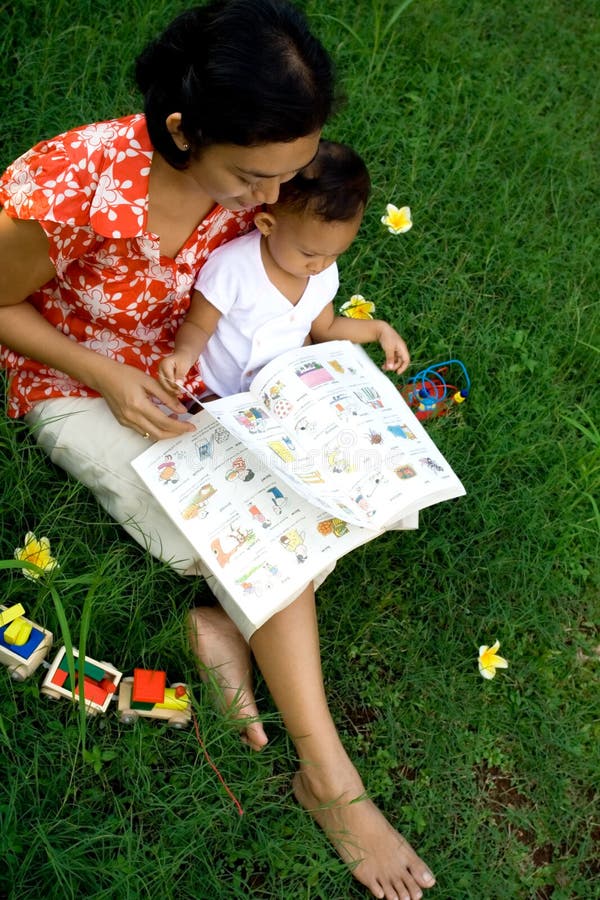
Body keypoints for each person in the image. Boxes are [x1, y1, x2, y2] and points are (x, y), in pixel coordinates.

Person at [0, 2, 435, 898]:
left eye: (288, 175)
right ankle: (332, 782)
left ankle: (221, 626)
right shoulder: (66, 194)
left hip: (206, 376)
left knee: (327, 497)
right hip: (79, 378)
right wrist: (108, 377)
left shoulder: (263, 189)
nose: (272, 201)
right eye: (252, 179)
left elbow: (278, 278)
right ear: (181, 131)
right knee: (253, 534)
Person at [157, 140, 410, 401]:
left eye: (335, 254)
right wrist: (184, 355)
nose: (320, 265)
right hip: (219, 389)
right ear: (267, 225)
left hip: (282, 393)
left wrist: (379, 330)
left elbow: (327, 327)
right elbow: (198, 325)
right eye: (309, 253)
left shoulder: (322, 273)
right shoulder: (234, 267)